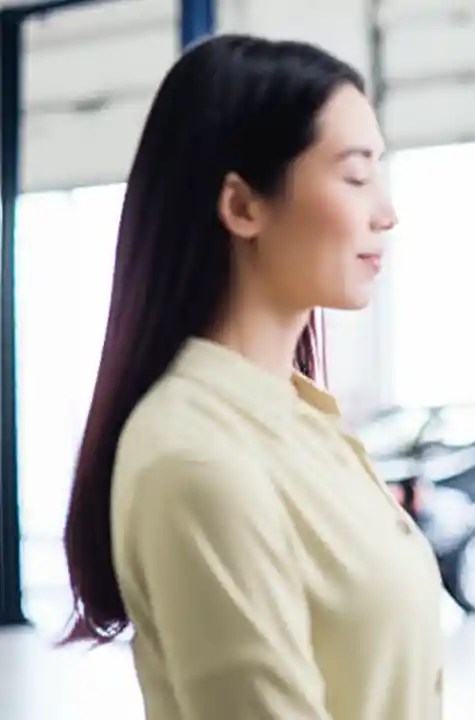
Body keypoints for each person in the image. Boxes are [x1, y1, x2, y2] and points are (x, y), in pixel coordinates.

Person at [60, 34, 443, 720]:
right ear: (241, 206)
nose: (387, 212)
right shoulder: (197, 458)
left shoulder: (299, 419)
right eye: (356, 176)